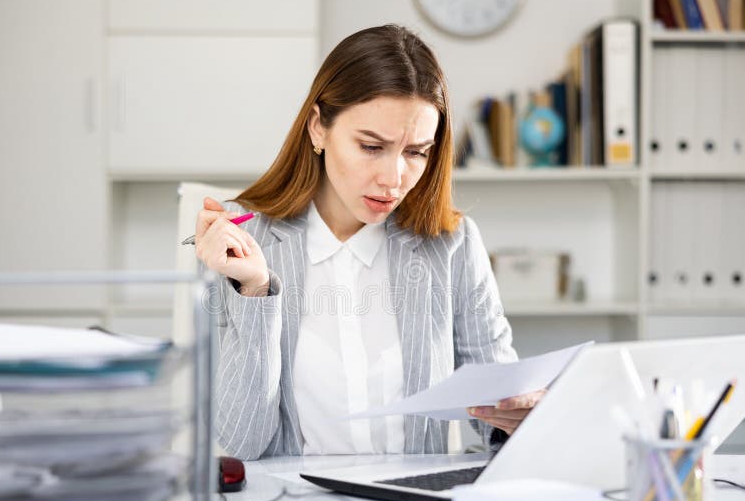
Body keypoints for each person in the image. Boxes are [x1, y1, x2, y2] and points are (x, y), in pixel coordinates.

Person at [194, 24, 545, 460]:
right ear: (318, 128)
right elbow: (239, 444)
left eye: (416, 152)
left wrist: (518, 419)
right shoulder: (243, 242)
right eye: (371, 146)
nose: (394, 178)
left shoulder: (452, 244)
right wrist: (255, 290)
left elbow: (495, 409)